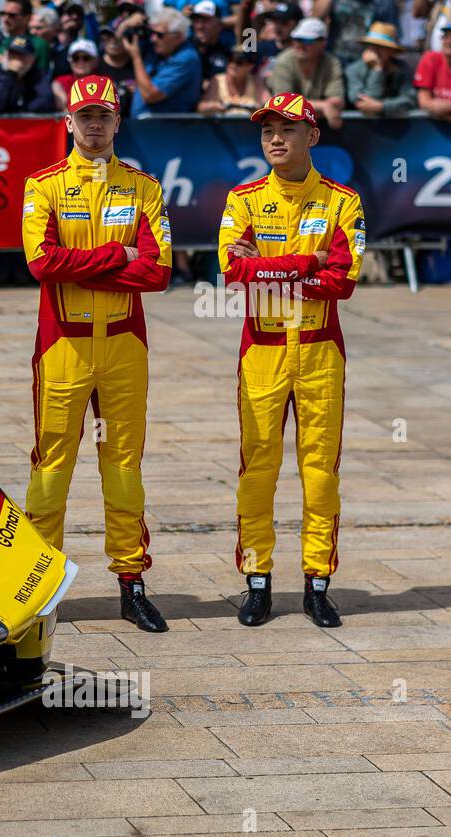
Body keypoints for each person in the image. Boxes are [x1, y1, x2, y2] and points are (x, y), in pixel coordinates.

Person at [21, 75, 173, 632]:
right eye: (83, 116)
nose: (93, 125)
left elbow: (157, 272)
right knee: (52, 468)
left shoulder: (142, 188)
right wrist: (117, 253)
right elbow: (41, 264)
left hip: (124, 345)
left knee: (124, 467)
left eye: (103, 116)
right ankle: (35, 591)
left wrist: (82, 261)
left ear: (117, 122)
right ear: (68, 122)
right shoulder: (42, 186)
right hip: (62, 343)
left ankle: (131, 584)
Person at [218, 92, 366, 628]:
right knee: (258, 469)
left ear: (313, 136)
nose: (275, 138)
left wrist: (272, 267)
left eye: (288, 129)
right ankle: (257, 582)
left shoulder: (342, 201)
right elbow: (235, 272)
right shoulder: (244, 198)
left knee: (320, 472)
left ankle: (317, 583)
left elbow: (343, 281)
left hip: (322, 349)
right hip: (262, 350)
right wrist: (309, 261)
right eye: (267, 131)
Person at [266, 16, 345, 127]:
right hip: (286, 127)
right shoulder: (283, 61)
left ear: (323, 43)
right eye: (297, 39)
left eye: (308, 40)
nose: (300, 45)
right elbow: (282, 103)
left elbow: (336, 102)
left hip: (320, 129)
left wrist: (300, 108)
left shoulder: (332, 63)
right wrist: (323, 106)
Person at [124, 7, 202, 116]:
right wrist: (126, 25)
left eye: (160, 35)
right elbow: (115, 45)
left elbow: (149, 95)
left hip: (167, 130)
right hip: (144, 128)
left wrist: (136, 57)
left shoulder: (186, 59)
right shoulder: (159, 49)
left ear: (179, 37)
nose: (153, 39)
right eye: (152, 33)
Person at [345, 21, 416, 115]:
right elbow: (360, 102)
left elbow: (410, 100)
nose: (375, 51)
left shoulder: (402, 69)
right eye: (371, 45)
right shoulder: (353, 70)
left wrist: (382, 107)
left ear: (391, 51)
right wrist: (377, 70)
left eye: (381, 47)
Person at [0, 33, 54, 110]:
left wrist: (21, 111)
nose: (16, 60)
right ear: (5, 55)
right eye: (12, 55)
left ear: (31, 59)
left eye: (21, 55)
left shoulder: (38, 75)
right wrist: (10, 75)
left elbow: (46, 100)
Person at [198, 47, 266, 111]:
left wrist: (259, 108)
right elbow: (201, 107)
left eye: (239, 62)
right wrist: (215, 106)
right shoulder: (217, 80)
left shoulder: (256, 81)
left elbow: (269, 104)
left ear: (250, 66)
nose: (232, 65)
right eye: (230, 60)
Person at [414, 23, 451, 118]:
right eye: (446, 36)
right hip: (436, 127)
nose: (449, 41)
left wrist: (447, 107)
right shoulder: (430, 58)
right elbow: (424, 102)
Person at [1, 0, 50, 72]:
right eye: (3, 14)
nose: (6, 19)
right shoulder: (3, 41)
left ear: (27, 18)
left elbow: (41, 78)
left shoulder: (39, 45)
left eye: (12, 15)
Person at [191, 0, 231, 81]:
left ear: (219, 26)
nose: (200, 26)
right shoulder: (182, 50)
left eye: (206, 21)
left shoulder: (228, 55)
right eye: (196, 21)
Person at [53, 36, 96, 109]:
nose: (81, 62)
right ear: (69, 61)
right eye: (75, 58)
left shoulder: (106, 82)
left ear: (95, 60)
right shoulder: (60, 83)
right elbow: (63, 108)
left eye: (86, 58)